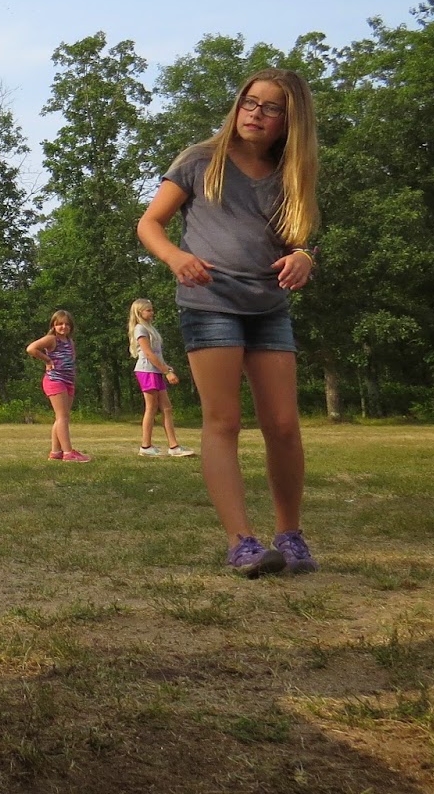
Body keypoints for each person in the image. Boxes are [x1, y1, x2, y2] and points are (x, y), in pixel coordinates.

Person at [137, 68, 320, 579]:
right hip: (210, 302)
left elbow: (298, 240)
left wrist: (304, 256)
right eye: (249, 102)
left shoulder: (290, 174)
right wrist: (176, 257)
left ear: (290, 120)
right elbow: (150, 223)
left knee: (282, 424)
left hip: (269, 308)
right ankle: (242, 542)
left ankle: (290, 535)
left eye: (271, 107)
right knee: (224, 422)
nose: (255, 113)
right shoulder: (201, 159)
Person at [129, 298, 192, 458]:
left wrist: (165, 366)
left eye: (152, 309)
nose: (152, 312)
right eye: (148, 310)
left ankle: (174, 446)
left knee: (166, 408)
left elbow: (156, 354)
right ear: (139, 312)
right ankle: (146, 446)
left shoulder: (149, 328)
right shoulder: (140, 329)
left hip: (155, 370)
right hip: (147, 371)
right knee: (151, 408)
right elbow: (148, 354)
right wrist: (166, 372)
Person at [26, 310, 88, 462]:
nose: (63, 327)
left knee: (62, 417)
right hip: (54, 380)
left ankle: (56, 452)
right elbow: (31, 348)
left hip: (68, 381)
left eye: (67, 324)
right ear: (53, 325)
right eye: (60, 324)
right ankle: (68, 452)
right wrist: (47, 360)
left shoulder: (70, 342)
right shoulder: (52, 339)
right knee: (62, 417)